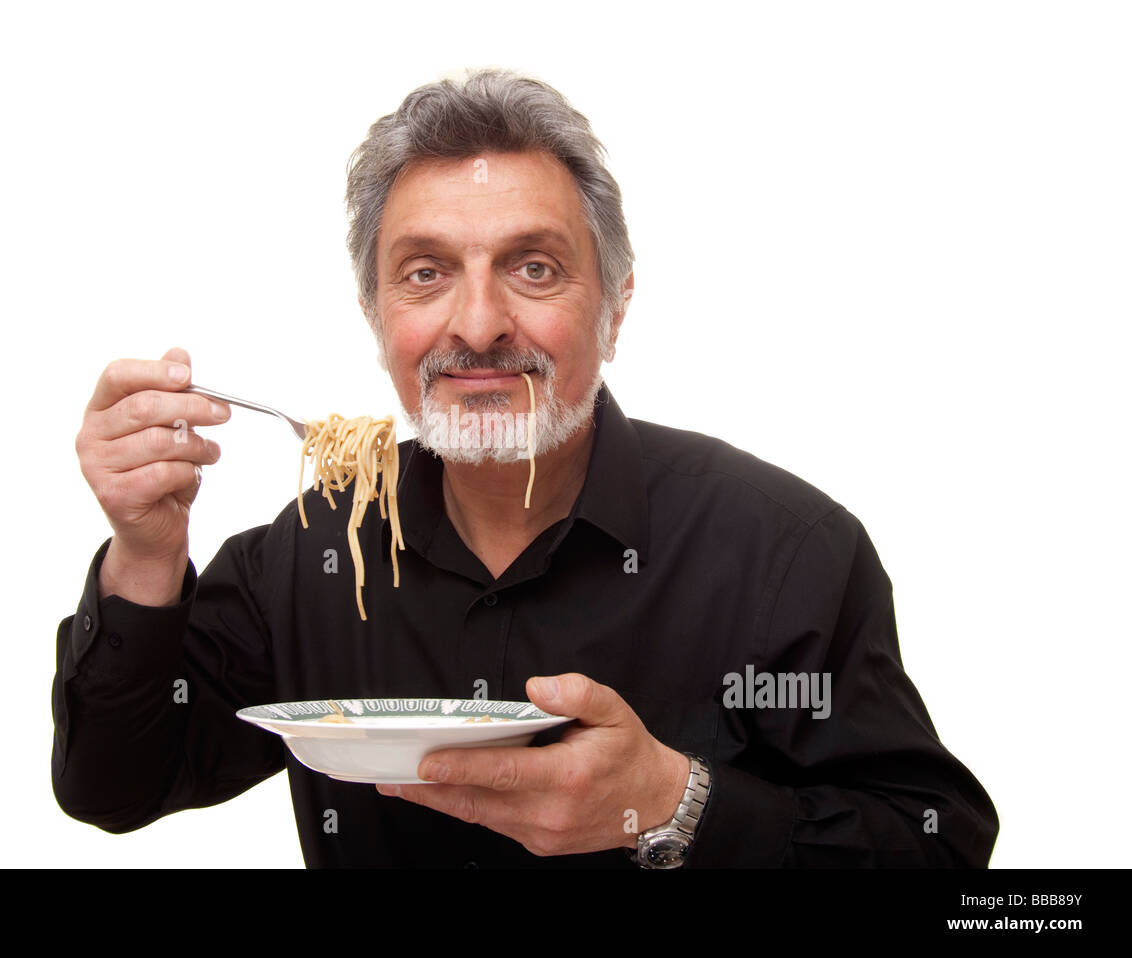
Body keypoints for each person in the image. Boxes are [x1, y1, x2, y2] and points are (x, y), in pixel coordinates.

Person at [53, 69, 999, 868]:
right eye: (425, 272)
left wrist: (680, 805)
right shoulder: (312, 553)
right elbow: (116, 786)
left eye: (534, 268)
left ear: (615, 308)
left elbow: (937, 842)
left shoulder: (784, 553)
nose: (476, 325)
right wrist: (144, 551)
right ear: (379, 314)